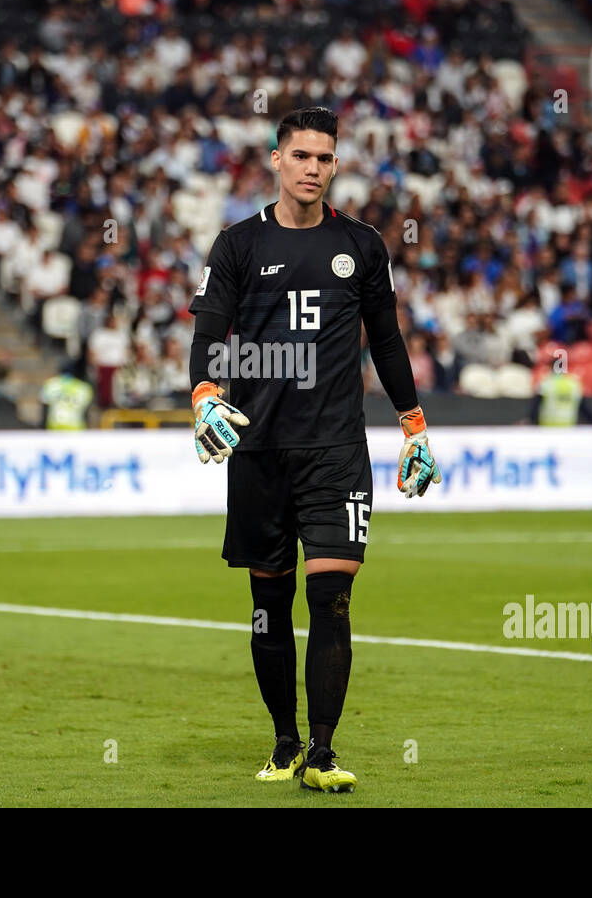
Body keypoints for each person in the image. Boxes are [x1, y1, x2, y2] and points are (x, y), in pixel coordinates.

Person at [187, 107, 440, 792]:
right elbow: (210, 327)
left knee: (331, 598)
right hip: (260, 449)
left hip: (336, 451)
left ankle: (322, 752)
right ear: (276, 159)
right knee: (268, 606)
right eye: (301, 155)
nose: (313, 168)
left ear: (336, 164)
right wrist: (204, 391)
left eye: (324, 158)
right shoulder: (237, 244)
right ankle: (284, 739)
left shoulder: (362, 245)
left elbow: (385, 341)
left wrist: (414, 423)